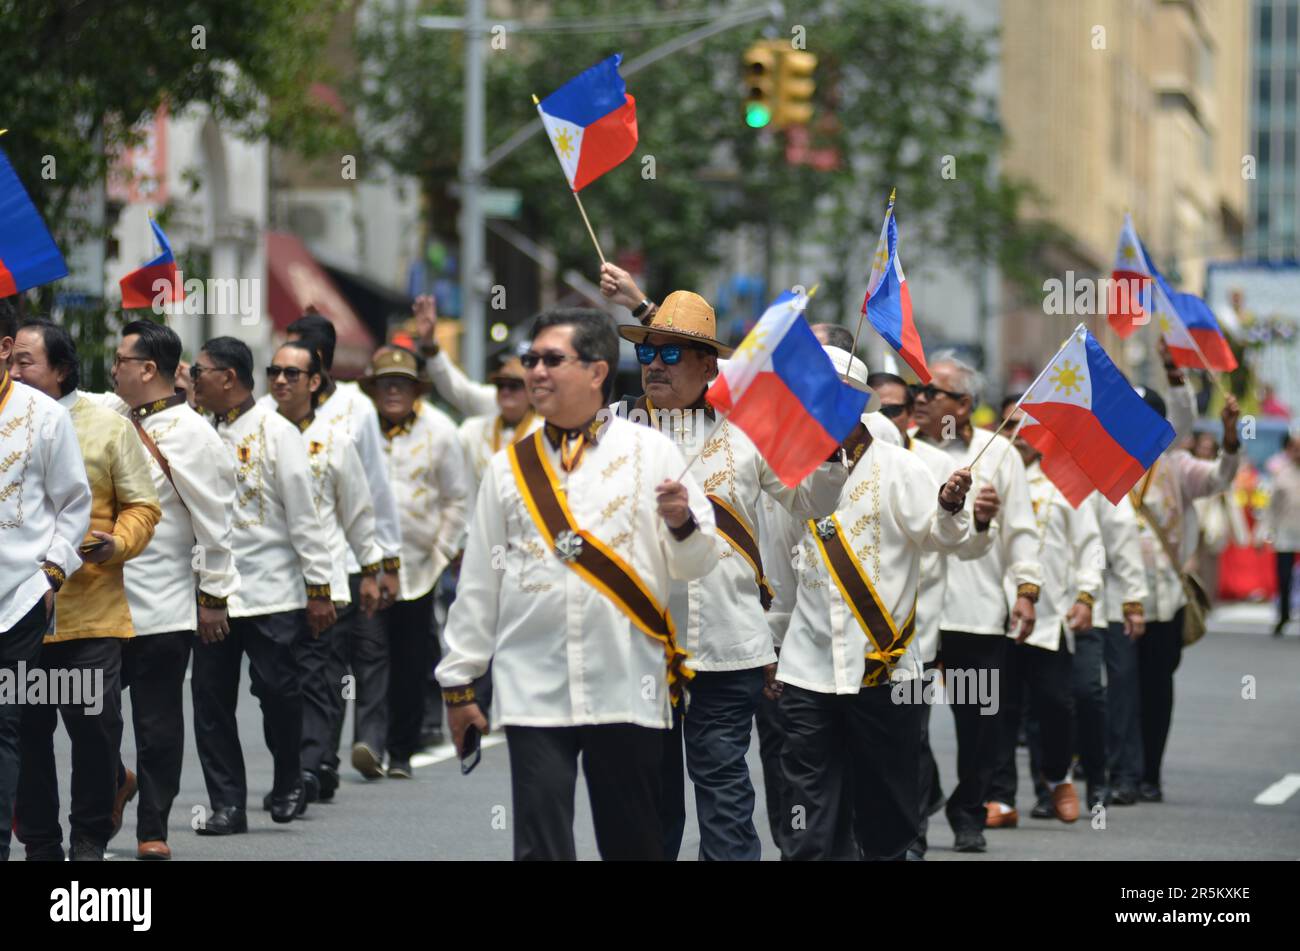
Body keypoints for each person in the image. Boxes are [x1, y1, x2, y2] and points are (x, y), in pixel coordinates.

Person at [437, 308, 719, 861]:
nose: (536, 372)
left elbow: (697, 563)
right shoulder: (508, 468)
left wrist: (682, 522)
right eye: (531, 360)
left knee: (633, 844)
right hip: (532, 684)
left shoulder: (652, 453)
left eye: (552, 360)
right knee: (539, 846)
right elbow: (479, 585)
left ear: (596, 371)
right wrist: (459, 684)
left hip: (627, 682)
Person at [613, 290, 856, 861]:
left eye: (672, 354)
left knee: (723, 785)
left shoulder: (748, 428)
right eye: (648, 351)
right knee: (647, 793)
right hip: (637, 644)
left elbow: (811, 500)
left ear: (708, 366)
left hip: (727, 646)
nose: (655, 364)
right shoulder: (614, 432)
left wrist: (827, 448)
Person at [769, 349, 977, 860]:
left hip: (887, 671)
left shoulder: (901, 467)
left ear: (856, 405)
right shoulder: (789, 471)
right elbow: (779, 566)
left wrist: (950, 505)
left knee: (887, 811)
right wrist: (771, 647)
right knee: (808, 804)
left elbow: (942, 537)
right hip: (807, 670)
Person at [10, 318, 161, 862]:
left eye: (26, 361)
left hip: (89, 614)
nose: (13, 370)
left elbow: (143, 506)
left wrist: (117, 543)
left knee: (95, 733)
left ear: (62, 369)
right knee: (25, 735)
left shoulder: (107, 427)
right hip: (17, 612)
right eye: (10, 359)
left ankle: (89, 839)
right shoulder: (6, 422)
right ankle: (41, 844)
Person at [103, 320, 241, 860]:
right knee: (87, 712)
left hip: (162, 604)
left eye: (121, 360)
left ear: (147, 369)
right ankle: (115, 779)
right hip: (101, 602)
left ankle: (152, 828)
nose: (112, 368)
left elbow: (216, 524)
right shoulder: (110, 416)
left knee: (157, 724)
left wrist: (213, 597)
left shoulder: (194, 434)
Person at [189, 336, 336, 832]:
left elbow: (304, 516)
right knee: (211, 700)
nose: (193, 380)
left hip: (271, 590)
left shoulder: (277, 432)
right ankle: (228, 805)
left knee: (278, 692)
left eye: (200, 372)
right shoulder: (199, 430)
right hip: (212, 593)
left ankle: (290, 777)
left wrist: (319, 588)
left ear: (228, 377)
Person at [911, 351, 1041, 854]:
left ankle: (970, 813)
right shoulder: (902, 450)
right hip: (915, 612)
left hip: (976, 612)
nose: (921, 399)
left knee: (980, 724)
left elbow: (1022, 530)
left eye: (933, 392)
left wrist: (1026, 591)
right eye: (918, 390)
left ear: (963, 404)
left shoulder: (1000, 453)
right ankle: (917, 810)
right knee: (907, 719)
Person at [868, 370, 1000, 858]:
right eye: (875, 410)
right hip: (864, 634)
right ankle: (906, 827)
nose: (884, 419)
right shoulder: (845, 462)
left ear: (910, 415)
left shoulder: (936, 464)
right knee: (899, 741)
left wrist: (973, 517)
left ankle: (939, 827)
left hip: (925, 628)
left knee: (941, 726)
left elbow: (961, 545)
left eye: (894, 410)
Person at [276, 314, 403, 798]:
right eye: (276, 369)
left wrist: (383, 563)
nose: (281, 376)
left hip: (343, 562)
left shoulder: (356, 409)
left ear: (318, 366)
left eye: (293, 366)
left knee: (329, 667)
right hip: (282, 570)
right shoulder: (270, 413)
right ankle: (316, 762)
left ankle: (317, 762)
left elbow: (373, 491)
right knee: (296, 672)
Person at [0, 306, 92, 863]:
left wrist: (53, 571)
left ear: (4, 347)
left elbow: (73, 502)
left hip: (19, 599)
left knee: (4, 722)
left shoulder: (44, 416)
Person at [985, 398, 1101, 827]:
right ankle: (1000, 797)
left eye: (1025, 426)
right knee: (998, 708)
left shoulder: (1062, 481)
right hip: (993, 615)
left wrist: (1086, 595)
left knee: (1054, 705)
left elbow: (1090, 544)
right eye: (1009, 425)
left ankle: (1057, 777)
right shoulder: (985, 476)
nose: (1017, 435)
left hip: (1049, 618)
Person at [1127, 388, 1240, 801]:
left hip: (1165, 601)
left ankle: (1149, 774)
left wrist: (1230, 439)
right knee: (1117, 687)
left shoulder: (1176, 466)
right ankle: (1119, 771)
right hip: (1115, 600)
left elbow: (1220, 477)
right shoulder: (1103, 463)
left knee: (1156, 687)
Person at [362, 347, 468, 778]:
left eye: (401, 384)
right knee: (368, 657)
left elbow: (457, 499)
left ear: (415, 390)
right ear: (374, 389)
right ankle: (369, 743)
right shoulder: (359, 428)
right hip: (366, 566)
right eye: (385, 383)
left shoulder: (440, 431)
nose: (393, 391)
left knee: (409, 661)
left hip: (420, 569)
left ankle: (401, 750)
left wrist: (441, 553)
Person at [1086, 486, 1147, 809]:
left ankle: (1124, 773)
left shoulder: (1106, 484)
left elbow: (1123, 540)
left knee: (1121, 688)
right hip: (1061, 601)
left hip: (1110, 601)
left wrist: (1133, 599)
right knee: (1075, 691)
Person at [458, 354, 542, 505]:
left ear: (531, 392)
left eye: (514, 386)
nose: (505, 391)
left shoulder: (544, 433)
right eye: (500, 385)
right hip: (480, 513)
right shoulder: (472, 430)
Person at [1264, 434, 1300, 636]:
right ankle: (1284, 613)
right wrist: (1265, 531)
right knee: (1284, 576)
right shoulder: (1282, 475)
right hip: (1286, 533)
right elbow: (1272, 508)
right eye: (1295, 448)